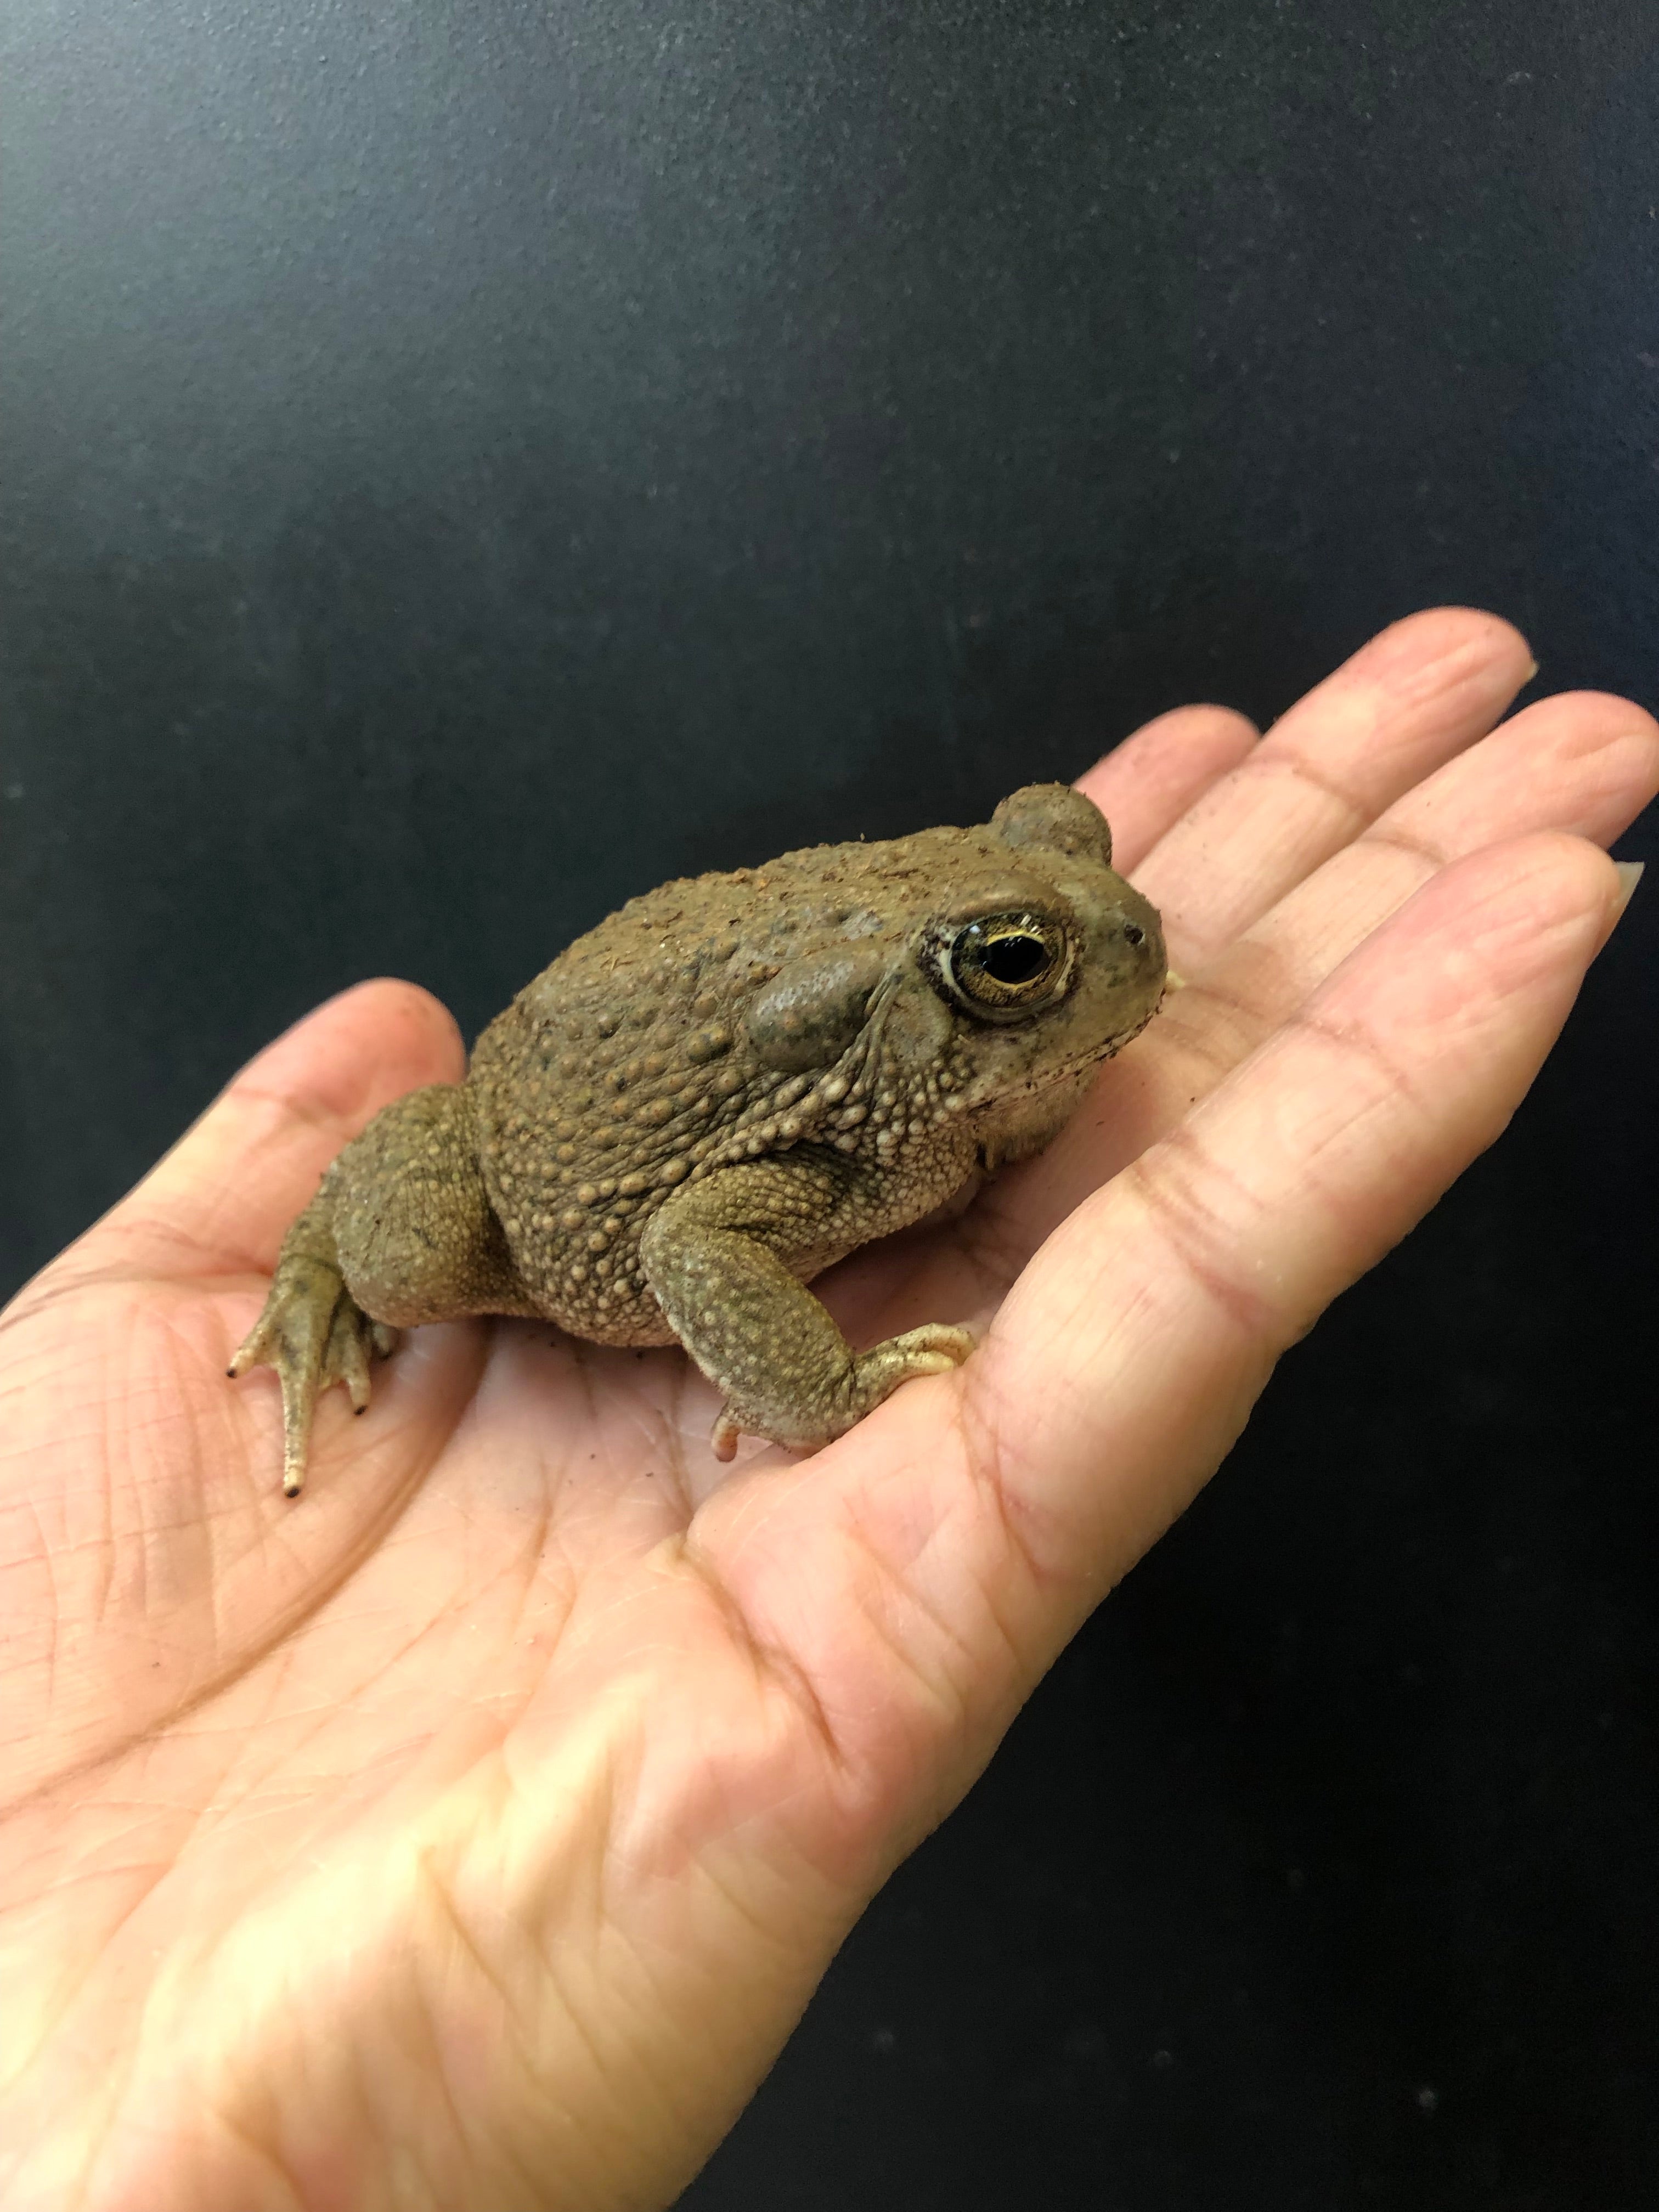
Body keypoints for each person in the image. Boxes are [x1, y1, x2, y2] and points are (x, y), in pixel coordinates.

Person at [1, 608, 1653, 2210]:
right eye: (1020, 962)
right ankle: (317, 1263)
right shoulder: (845, 1122)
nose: (1116, 930)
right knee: (413, 1257)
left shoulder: (925, 1097)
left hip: (708, 1016)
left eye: (1068, 863)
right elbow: (680, 1232)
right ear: (937, 1007)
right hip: (542, 1161)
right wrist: (828, 1389)